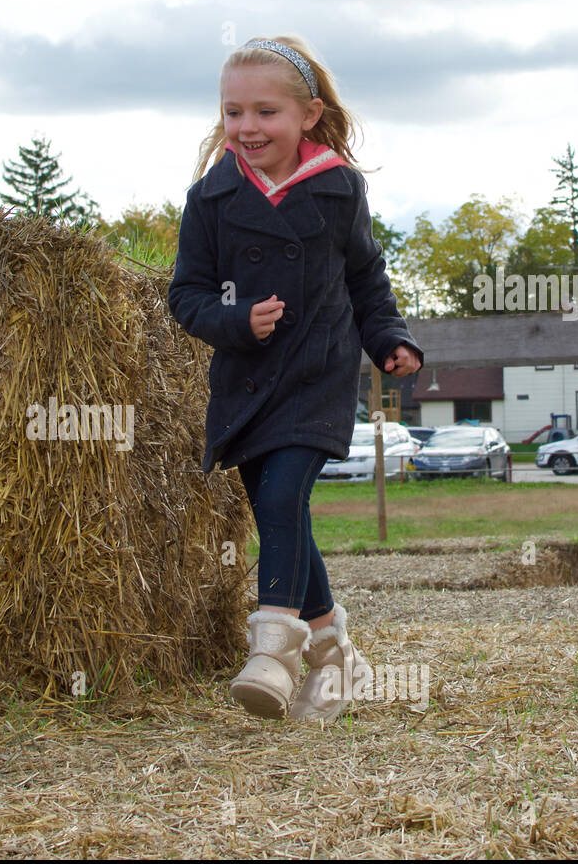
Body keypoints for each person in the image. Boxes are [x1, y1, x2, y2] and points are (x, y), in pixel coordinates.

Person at [167, 35, 424, 721]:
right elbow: (185, 296)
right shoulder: (210, 198)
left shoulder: (339, 188)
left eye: (265, 113)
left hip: (317, 375)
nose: (247, 128)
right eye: (233, 113)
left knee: (283, 496)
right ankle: (337, 660)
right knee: (281, 513)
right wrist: (236, 319)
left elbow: (366, 278)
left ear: (308, 115)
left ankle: (273, 650)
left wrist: (390, 339)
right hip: (247, 385)